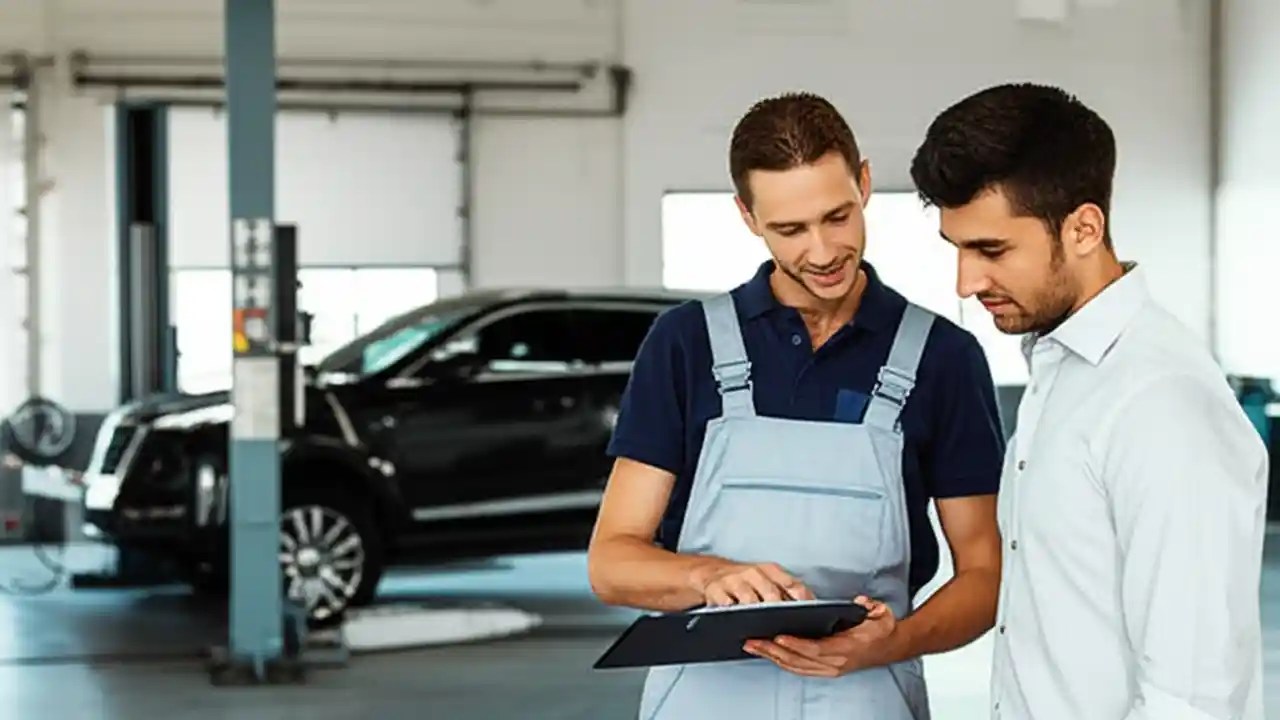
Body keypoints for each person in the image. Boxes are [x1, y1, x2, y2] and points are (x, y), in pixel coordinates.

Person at [587, 91, 1006, 719]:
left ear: (864, 183)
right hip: (702, 701)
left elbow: (985, 576)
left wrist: (890, 642)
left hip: (867, 696)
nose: (821, 251)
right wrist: (707, 577)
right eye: (790, 229)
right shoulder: (685, 344)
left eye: (837, 216)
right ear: (748, 217)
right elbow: (612, 561)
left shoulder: (944, 358)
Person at [910, 82, 1269, 720]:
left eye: (992, 250)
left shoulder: (1161, 403)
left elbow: (1192, 697)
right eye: (958, 249)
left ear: (1083, 228)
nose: (966, 283)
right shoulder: (1063, 372)